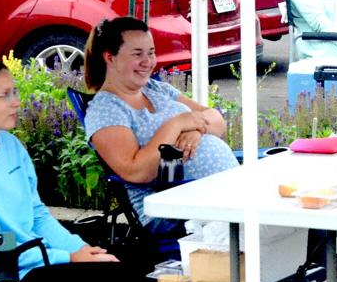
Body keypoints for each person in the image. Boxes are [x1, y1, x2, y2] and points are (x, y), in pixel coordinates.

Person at [0, 55, 152, 282]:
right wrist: (67, 257)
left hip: (36, 259)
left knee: (140, 262)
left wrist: (81, 249)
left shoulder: (11, 146)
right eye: (4, 95)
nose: (16, 102)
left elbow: (37, 215)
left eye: (15, 92)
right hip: (2, 278)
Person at [84, 17, 239, 237]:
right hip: (174, 212)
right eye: (137, 54)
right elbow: (137, 171)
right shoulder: (105, 110)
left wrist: (195, 130)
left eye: (151, 52)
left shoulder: (156, 89)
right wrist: (177, 124)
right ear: (110, 57)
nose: (148, 62)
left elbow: (215, 118)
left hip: (217, 198)